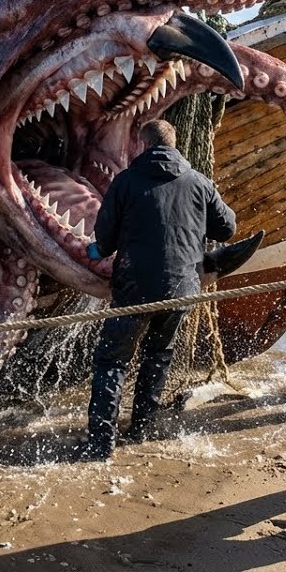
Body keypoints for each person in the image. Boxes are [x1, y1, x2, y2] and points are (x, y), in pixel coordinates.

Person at [79, 120, 237, 460]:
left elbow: (104, 241)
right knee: (158, 353)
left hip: (134, 287)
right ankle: (142, 429)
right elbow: (227, 228)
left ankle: (101, 444)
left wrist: (96, 249)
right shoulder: (199, 182)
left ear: (141, 145)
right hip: (182, 288)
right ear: (175, 145)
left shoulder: (125, 181)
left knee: (112, 360)